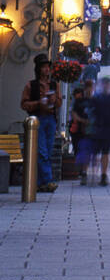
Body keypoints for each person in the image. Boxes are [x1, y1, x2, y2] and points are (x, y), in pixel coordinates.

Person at [20, 55, 61, 194]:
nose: (47, 70)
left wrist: (54, 100)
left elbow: (59, 103)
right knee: (42, 151)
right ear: (38, 69)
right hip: (37, 119)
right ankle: (48, 181)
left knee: (47, 152)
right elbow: (24, 104)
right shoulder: (31, 85)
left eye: (48, 67)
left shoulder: (55, 85)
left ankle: (38, 183)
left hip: (50, 119)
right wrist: (38, 103)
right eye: (44, 67)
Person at [90, 78, 110, 186]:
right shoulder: (97, 98)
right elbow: (91, 112)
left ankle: (103, 174)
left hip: (107, 127)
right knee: (97, 152)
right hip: (98, 127)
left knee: (105, 152)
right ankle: (95, 173)